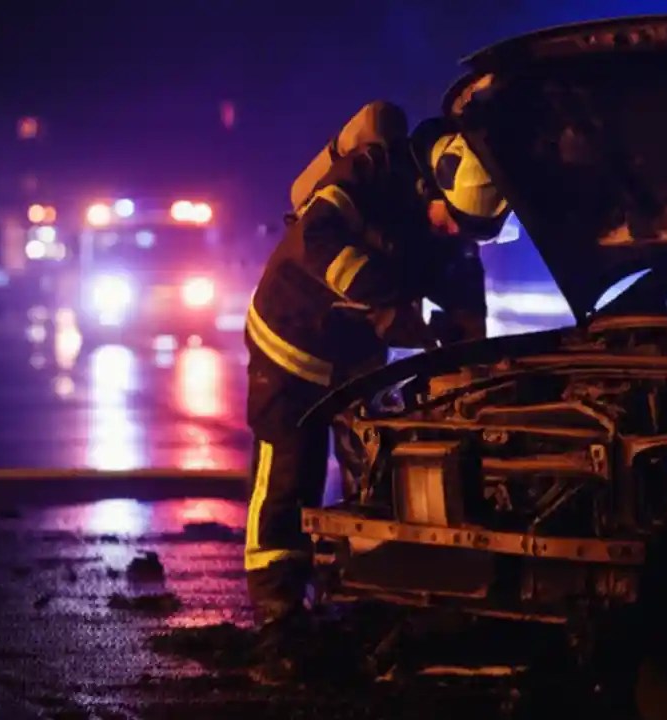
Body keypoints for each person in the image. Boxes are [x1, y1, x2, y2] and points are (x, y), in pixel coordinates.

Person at [242, 105, 511, 684]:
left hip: (358, 356)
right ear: (433, 182)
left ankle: (376, 601)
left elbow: (463, 291)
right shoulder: (369, 175)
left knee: (376, 472)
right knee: (289, 473)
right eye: (450, 220)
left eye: (465, 228)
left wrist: (471, 359)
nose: (452, 232)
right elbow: (317, 239)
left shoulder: (452, 225)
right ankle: (279, 621)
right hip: (292, 338)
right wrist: (386, 305)